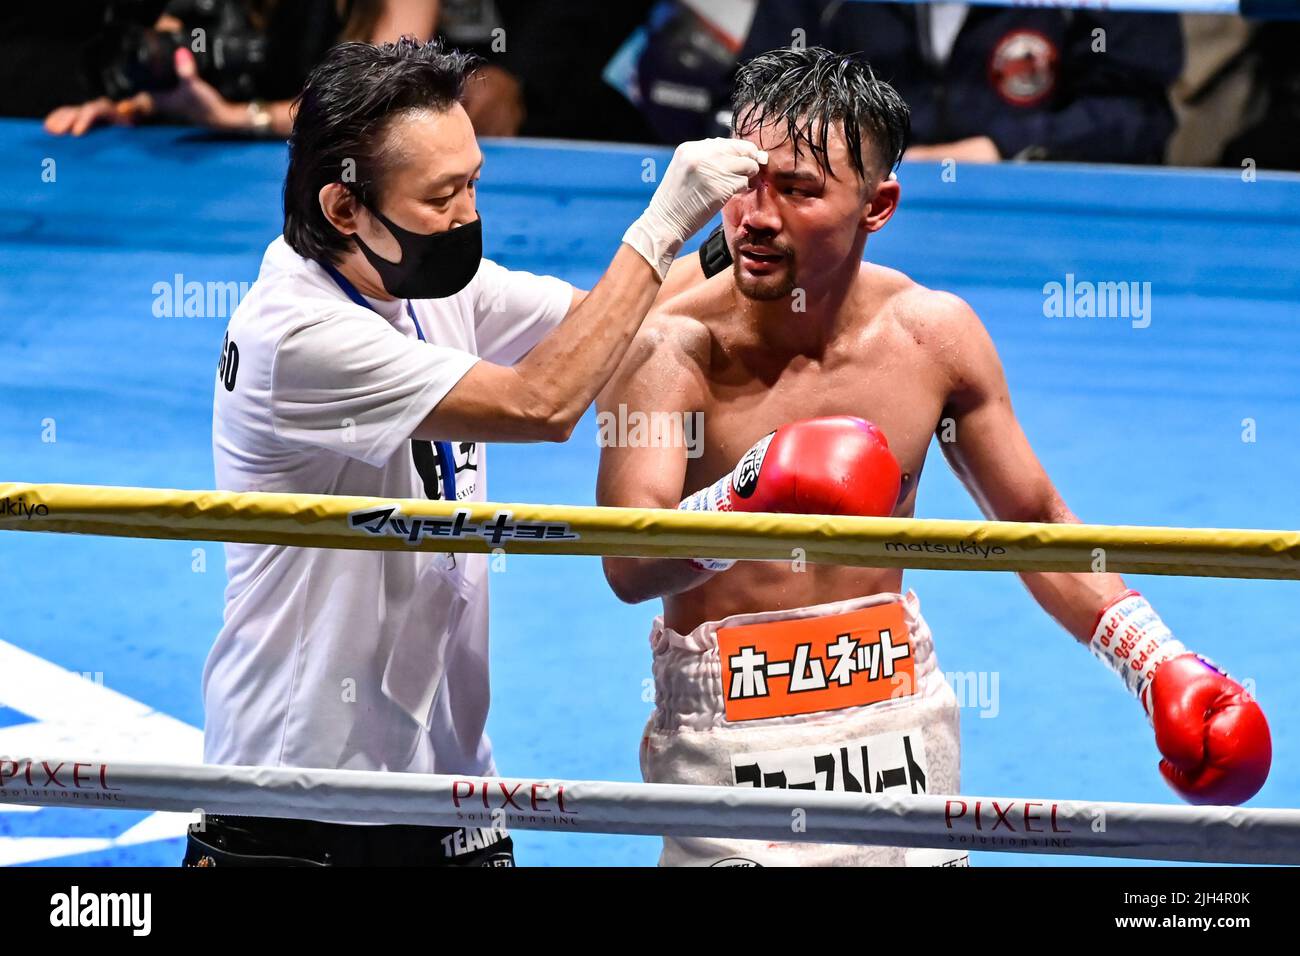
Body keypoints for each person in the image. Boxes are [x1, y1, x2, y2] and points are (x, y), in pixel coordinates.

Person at [596, 46, 1271, 867]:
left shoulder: (932, 336)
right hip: (730, 729)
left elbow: (1034, 521)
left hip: (896, 716)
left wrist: (1157, 663)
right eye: (743, 181)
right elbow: (630, 559)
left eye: (800, 190)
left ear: (877, 206)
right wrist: (747, 494)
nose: (757, 216)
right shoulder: (673, 347)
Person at [189, 36, 762, 866]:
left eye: (475, 182)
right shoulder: (298, 333)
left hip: (450, 787)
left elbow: (614, 320)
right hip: (300, 799)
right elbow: (544, 402)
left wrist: (741, 230)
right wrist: (663, 218)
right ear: (345, 209)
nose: (468, 215)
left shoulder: (414, 278)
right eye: (443, 195)